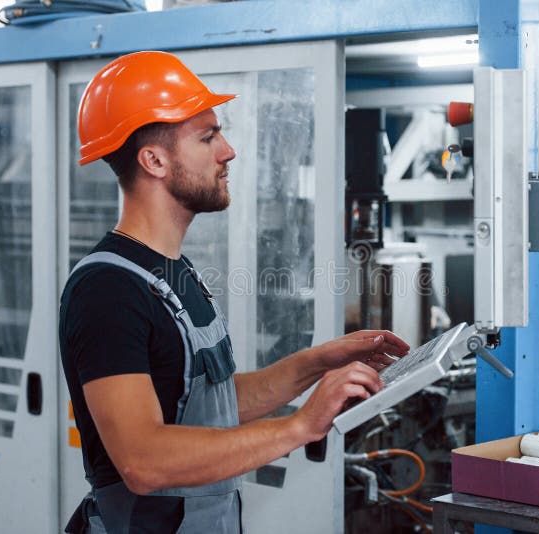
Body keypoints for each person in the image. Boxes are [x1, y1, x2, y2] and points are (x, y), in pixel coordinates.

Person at [60, 51, 409, 534]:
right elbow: (144, 461)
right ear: (154, 160)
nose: (228, 151)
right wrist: (300, 426)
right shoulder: (107, 290)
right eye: (207, 136)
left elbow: (217, 405)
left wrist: (319, 362)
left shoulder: (173, 272)